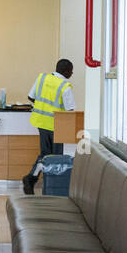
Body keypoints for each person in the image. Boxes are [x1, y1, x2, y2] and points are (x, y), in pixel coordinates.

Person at [22, 58, 76, 195]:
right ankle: (51, 187)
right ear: (66, 71)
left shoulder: (42, 78)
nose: (72, 73)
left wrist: (42, 106)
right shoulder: (65, 86)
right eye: (71, 70)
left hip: (41, 122)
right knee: (56, 157)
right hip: (57, 126)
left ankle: (32, 179)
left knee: (46, 154)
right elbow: (70, 111)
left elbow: (31, 97)